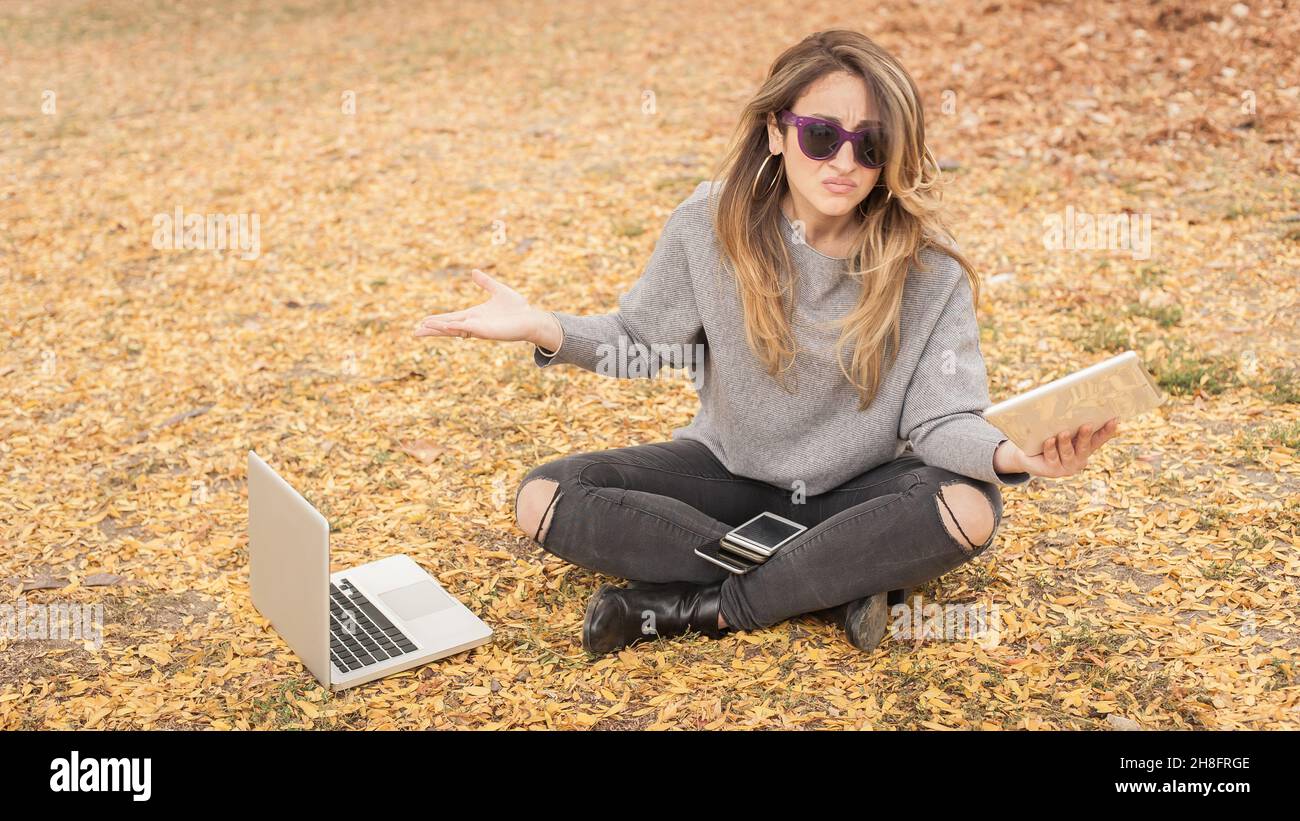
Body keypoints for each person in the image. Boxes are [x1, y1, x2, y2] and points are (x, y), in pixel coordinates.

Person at [414, 29, 1119, 657]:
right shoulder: (706, 224)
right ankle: (833, 580)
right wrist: (543, 326)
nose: (844, 159)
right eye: (821, 134)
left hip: (861, 494)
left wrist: (1011, 453)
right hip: (732, 476)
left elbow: (939, 422)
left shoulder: (927, 266)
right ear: (777, 132)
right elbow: (638, 339)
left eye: (870, 144)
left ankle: (707, 607)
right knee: (545, 496)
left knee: (968, 506)